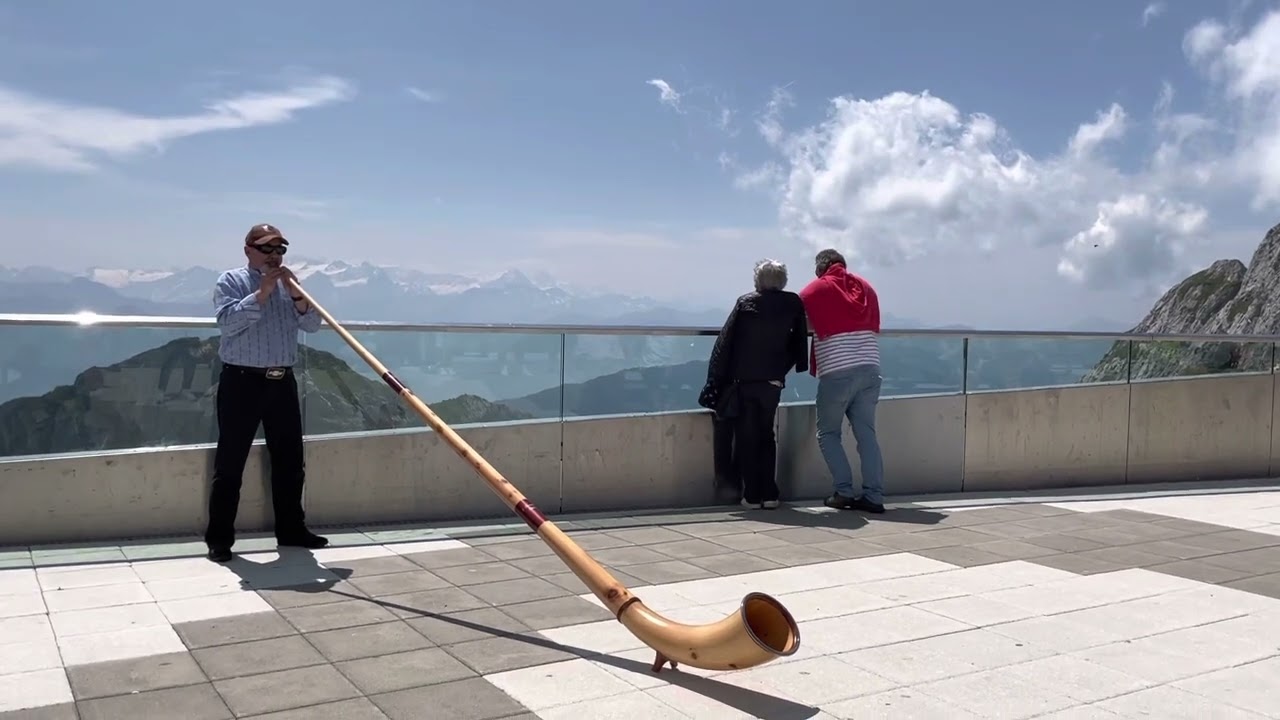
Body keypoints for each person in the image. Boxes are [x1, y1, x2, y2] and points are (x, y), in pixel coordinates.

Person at [204, 223, 329, 562]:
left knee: (290, 461)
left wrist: (297, 295)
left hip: (281, 380)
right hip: (242, 381)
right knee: (231, 461)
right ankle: (220, 540)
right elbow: (226, 322)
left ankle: (291, 530)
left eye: (280, 250)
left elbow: (313, 325)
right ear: (248, 250)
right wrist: (262, 292)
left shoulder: (291, 286)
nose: (274, 256)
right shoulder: (231, 281)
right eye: (266, 249)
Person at [699, 259, 809, 509]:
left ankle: (752, 495)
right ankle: (770, 493)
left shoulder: (746, 302)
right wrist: (784, 369)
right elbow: (799, 343)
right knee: (766, 435)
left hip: (745, 381)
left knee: (747, 437)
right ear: (783, 280)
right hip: (773, 382)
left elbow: (724, 343)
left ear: (758, 280)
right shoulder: (793, 303)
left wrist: (715, 380)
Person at [798, 248, 886, 514]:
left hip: (837, 372)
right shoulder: (866, 288)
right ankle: (873, 496)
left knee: (828, 433)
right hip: (870, 369)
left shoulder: (815, 290)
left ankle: (844, 491)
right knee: (866, 435)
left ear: (820, 269)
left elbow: (795, 319)